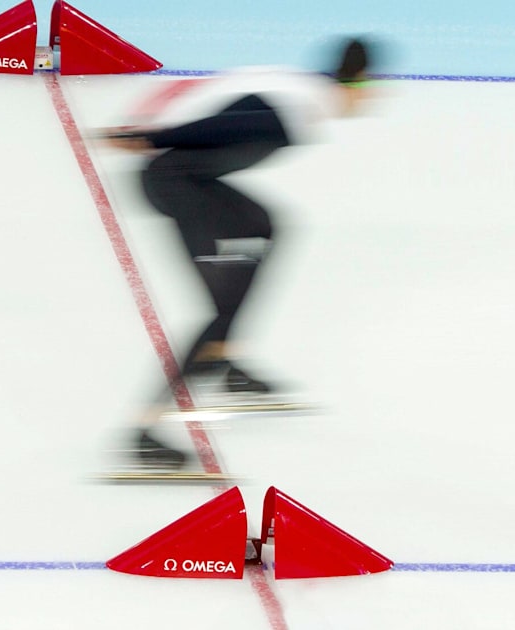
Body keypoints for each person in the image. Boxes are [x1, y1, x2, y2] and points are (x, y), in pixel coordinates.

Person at [102, 37, 374, 468]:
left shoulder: (295, 86)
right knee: (218, 315)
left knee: (265, 225)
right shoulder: (300, 109)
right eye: (368, 88)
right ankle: (144, 434)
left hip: (187, 181)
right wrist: (152, 135)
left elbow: (208, 90)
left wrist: (149, 124)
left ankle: (227, 361)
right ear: (355, 82)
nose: (373, 97)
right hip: (177, 185)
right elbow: (227, 128)